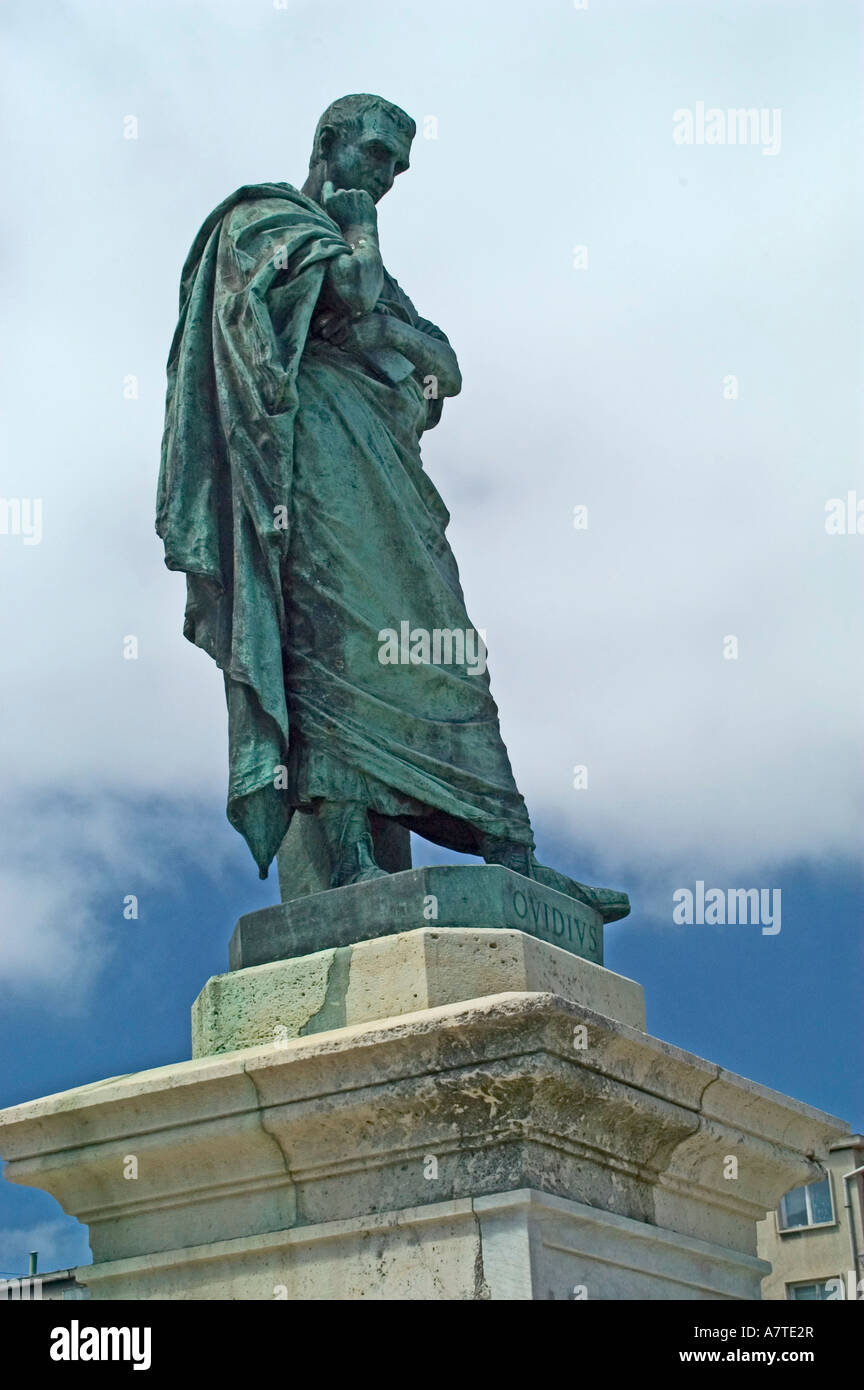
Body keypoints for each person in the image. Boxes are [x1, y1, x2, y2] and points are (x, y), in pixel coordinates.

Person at [157, 94, 628, 923]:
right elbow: (350, 285)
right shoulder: (265, 220)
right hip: (311, 470)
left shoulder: (342, 242)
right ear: (329, 142)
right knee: (337, 643)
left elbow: (445, 362)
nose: (385, 178)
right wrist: (359, 242)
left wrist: (390, 333)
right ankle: (350, 859)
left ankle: (511, 854)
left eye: (396, 169)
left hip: (387, 482)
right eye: (375, 157)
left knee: (449, 655)